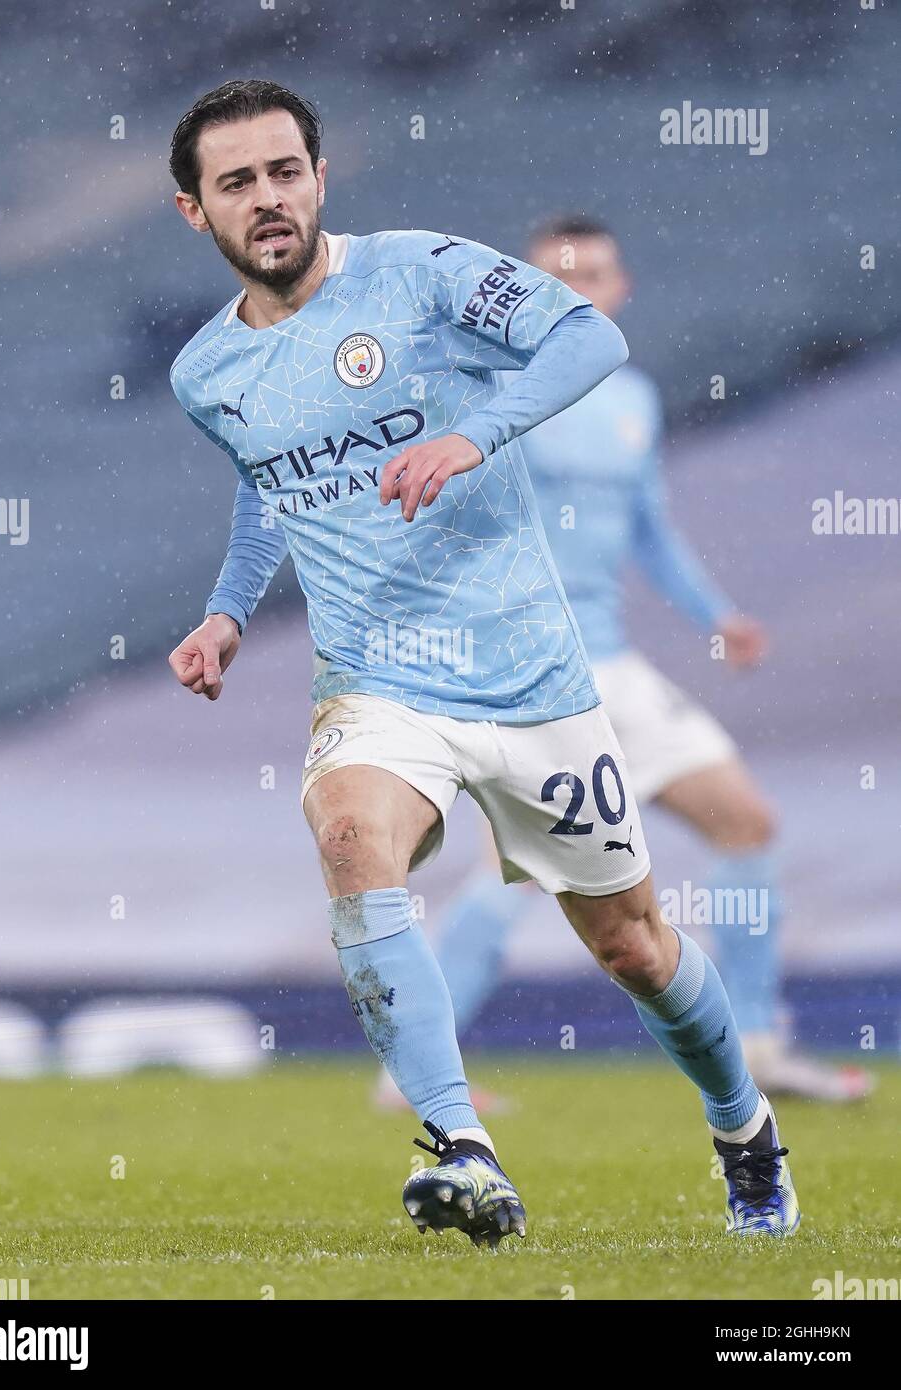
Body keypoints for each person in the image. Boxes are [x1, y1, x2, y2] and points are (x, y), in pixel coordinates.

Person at [165, 79, 799, 1247]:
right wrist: (227, 614)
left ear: (319, 178)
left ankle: (744, 1128)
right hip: (375, 682)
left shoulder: (421, 270)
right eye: (237, 182)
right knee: (352, 838)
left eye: (285, 171)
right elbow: (268, 491)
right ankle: (464, 1149)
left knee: (634, 948)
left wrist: (472, 430)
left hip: (530, 680)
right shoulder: (206, 375)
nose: (269, 198)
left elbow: (588, 334)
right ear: (193, 211)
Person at [376, 216, 870, 1110]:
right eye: (555, 278)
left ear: (621, 288)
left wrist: (717, 615)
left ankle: (755, 1041)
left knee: (745, 824)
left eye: (591, 275)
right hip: (534, 672)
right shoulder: (492, 392)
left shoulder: (633, 399)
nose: (576, 290)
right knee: (508, 868)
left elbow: (648, 525)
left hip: (617, 669)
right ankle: (416, 1075)